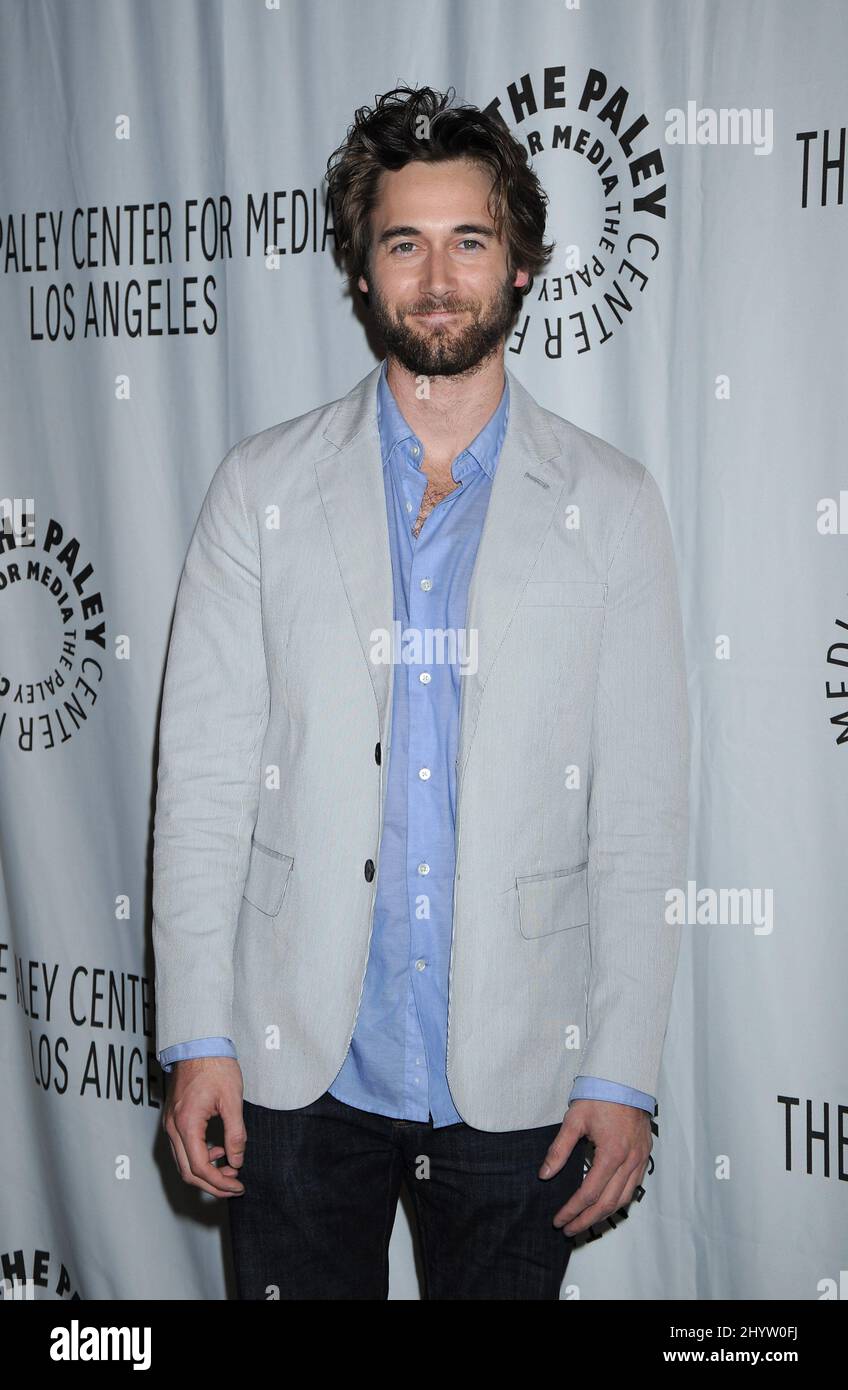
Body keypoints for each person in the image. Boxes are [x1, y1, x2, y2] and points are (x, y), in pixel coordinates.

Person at [152, 84, 690, 1300]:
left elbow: (641, 810)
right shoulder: (260, 490)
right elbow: (202, 784)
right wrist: (198, 1039)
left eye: (468, 240)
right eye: (403, 242)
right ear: (361, 271)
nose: (435, 276)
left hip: (520, 1070)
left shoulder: (610, 503)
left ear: (518, 268)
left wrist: (619, 1070)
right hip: (296, 1066)